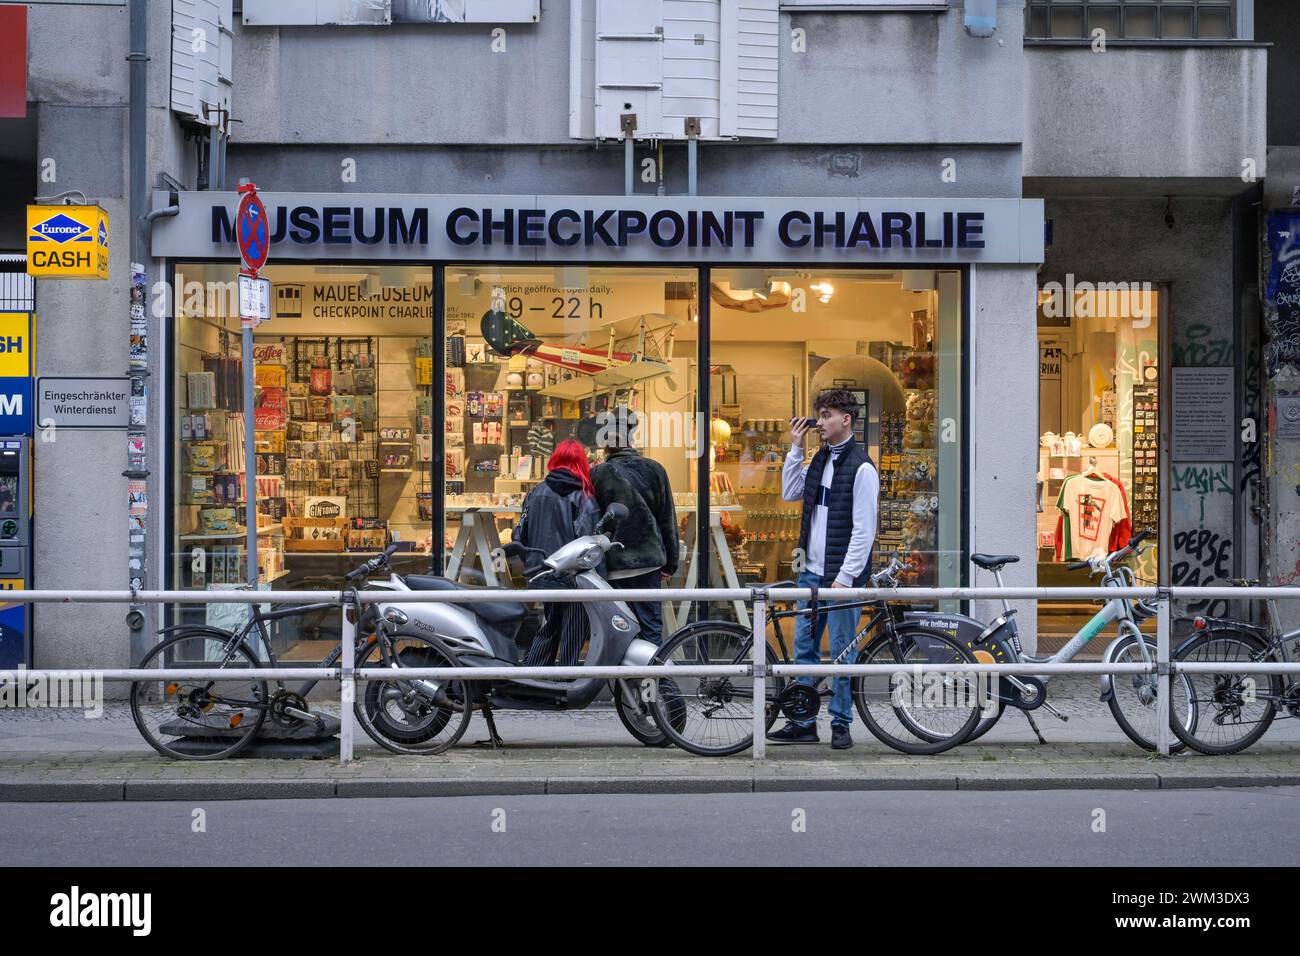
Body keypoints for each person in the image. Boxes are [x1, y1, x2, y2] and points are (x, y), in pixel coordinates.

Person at [768, 389, 880, 751]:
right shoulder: (818, 459)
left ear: (846, 419)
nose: (820, 421)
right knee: (805, 648)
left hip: (840, 576)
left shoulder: (861, 466)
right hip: (812, 571)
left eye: (826, 414)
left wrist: (845, 577)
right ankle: (803, 721)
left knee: (844, 651)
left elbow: (865, 530)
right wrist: (796, 448)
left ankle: (841, 722)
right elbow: (789, 492)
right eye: (819, 413)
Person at [591, 406, 678, 645]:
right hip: (648, 562)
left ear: (605, 443)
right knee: (650, 628)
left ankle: (622, 682)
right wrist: (670, 564)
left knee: (617, 629)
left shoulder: (598, 473)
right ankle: (650, 679)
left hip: (613, 563)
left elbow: (592, 521)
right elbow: (667, 519)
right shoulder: (655, 469)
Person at [514, 439, 601, 667]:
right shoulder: (582, 495)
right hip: (572, 573)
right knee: (574, 627)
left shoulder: (537, 492)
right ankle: (567, 677)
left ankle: (533, 672)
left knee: (550, 622)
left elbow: (520, 533)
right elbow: (587, 538)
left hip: (541, 569)